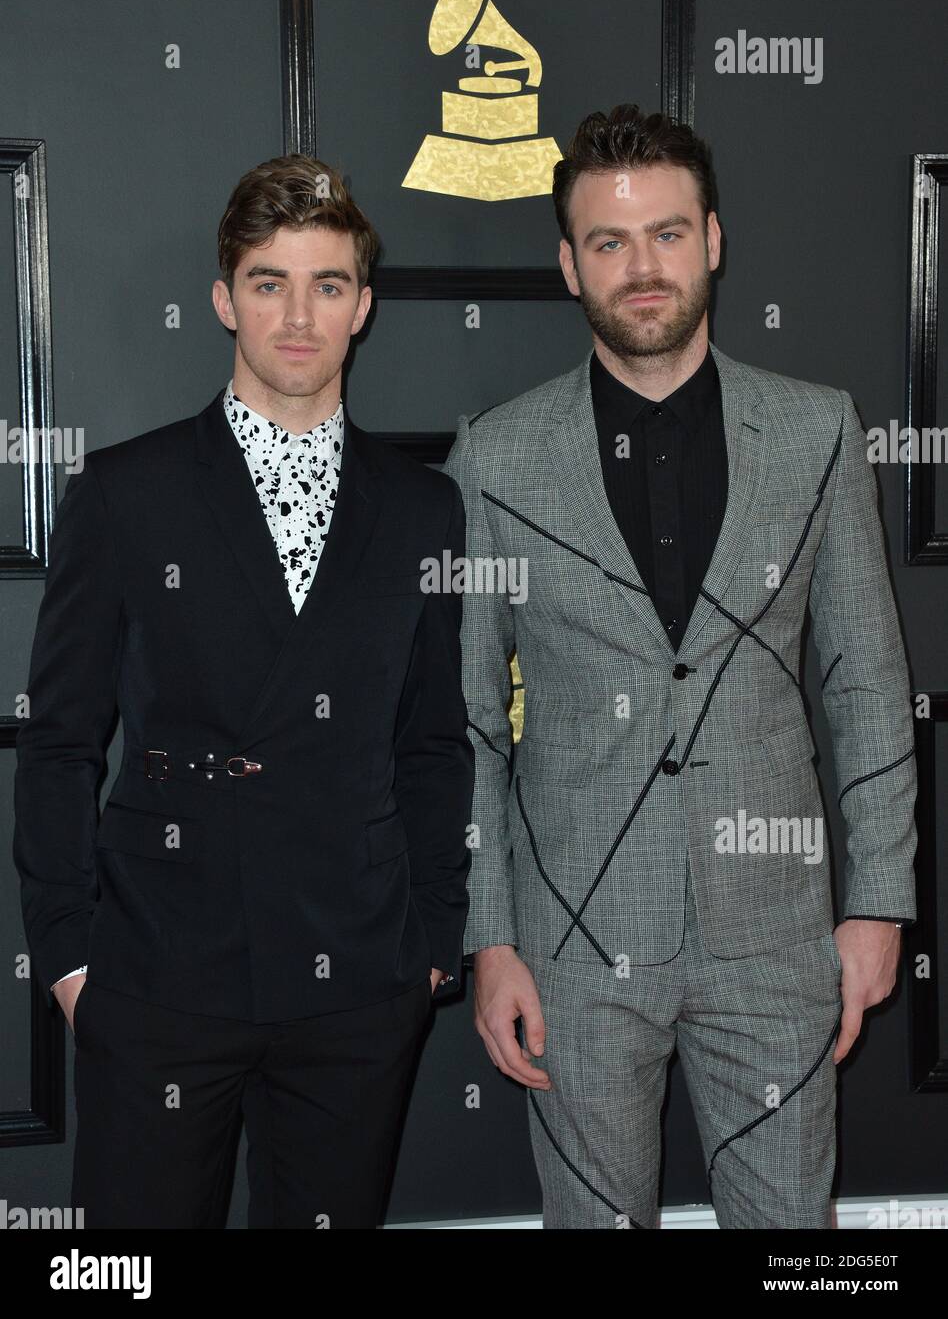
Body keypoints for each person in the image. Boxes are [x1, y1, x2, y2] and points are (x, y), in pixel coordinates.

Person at [443, 103, 917, 1229]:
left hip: (777, 934)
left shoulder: (817, 433)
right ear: (569, 265)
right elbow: (465, 722)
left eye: (666, 233)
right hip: (573, 942)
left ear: (713, 240)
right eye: (609, 242)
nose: (641, 266)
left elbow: (865, 679)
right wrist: (491, 940)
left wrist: (880, 904)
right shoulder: (495, 457)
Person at [13, 155, 474, 1229]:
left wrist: (427, 951)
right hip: (159, 972)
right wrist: (73, 958)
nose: (298, 314)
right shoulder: (126, 493)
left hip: (357, 981)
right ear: (225, 299)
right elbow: (60, 744)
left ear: (363, 304)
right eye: (269, 282)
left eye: (326, 284)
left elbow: (435, 744)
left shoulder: (423, 511)